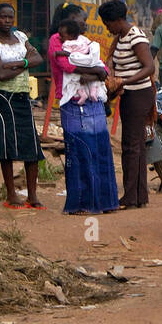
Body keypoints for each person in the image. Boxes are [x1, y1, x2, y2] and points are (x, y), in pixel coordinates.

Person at [49, 11, 118, 215]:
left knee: (100, 147)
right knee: (80, 150)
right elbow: (66, 66)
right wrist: (95, 72)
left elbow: (102, 68)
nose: (85, 24)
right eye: (81, 20)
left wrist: (97, 73)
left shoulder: (86, 41)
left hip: (93, 101)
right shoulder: (56, 40)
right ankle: (82, 203)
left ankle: (106, 201)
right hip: (71, 101)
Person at [0, 2, 46, 210]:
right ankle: (11, 195)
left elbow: (38, 58)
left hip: (23, 98)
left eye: (10, 17)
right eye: (2, 17)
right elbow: (0, 74)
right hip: (5, 99)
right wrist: (24, 63)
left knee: (32, 147)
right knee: (7, 148)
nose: (7, 21)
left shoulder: (20, 37)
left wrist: (17, 64)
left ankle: (33, 196)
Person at [100, 0, 156, 210]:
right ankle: (139, 196)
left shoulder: (135, 36)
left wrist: (124, 81)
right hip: (130, 95)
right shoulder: (120, 37)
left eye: (107, 23)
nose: (107, 28)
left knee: (131, 147)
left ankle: (131, 197)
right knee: (136, 146)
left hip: (138, 95)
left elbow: (149, 67)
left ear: (117, 20)